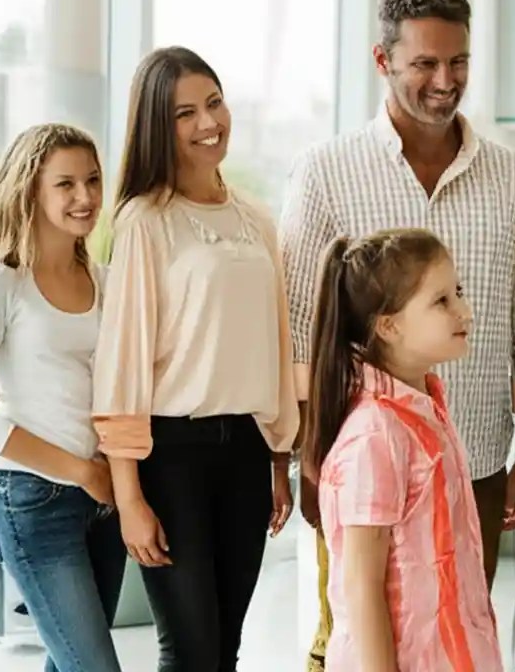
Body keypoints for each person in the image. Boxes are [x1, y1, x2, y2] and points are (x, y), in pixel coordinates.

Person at [280, 0, 515, 670]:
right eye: (424, 63)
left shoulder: (510, 176)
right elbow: (296, 320)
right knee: (352, 621)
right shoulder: (326, 170)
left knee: (454, 623)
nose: (445, 80)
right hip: (367, 460)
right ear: (383, 61)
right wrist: (304, 457)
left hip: (479, 452)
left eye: (458, 62)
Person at [91, 46, 298, 672]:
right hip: (170, 459)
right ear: (160, 126)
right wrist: (129, 497)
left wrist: (279, 459)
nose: (209, 122)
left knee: (225, 647)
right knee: (191, 650)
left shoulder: (257, 222)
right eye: (186, 113)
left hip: (246, 454)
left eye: (214, 102)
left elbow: (277, 346)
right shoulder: (144, 223)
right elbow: (122, 365)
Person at [304, 228, 499, 672]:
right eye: (441, 301)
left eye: (459, 293)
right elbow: (361, 588)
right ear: (388, 326)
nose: (463, 310)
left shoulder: (423, 411)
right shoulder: (376, 434)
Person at [0, 123, 124, 672]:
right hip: (33, 500)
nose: (84, 197)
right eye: (65, 184)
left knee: (69, 664)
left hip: (104, 498)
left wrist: (109, 477)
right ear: (30, 189)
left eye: (92, 180)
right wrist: (81, 471)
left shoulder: (107, 280)